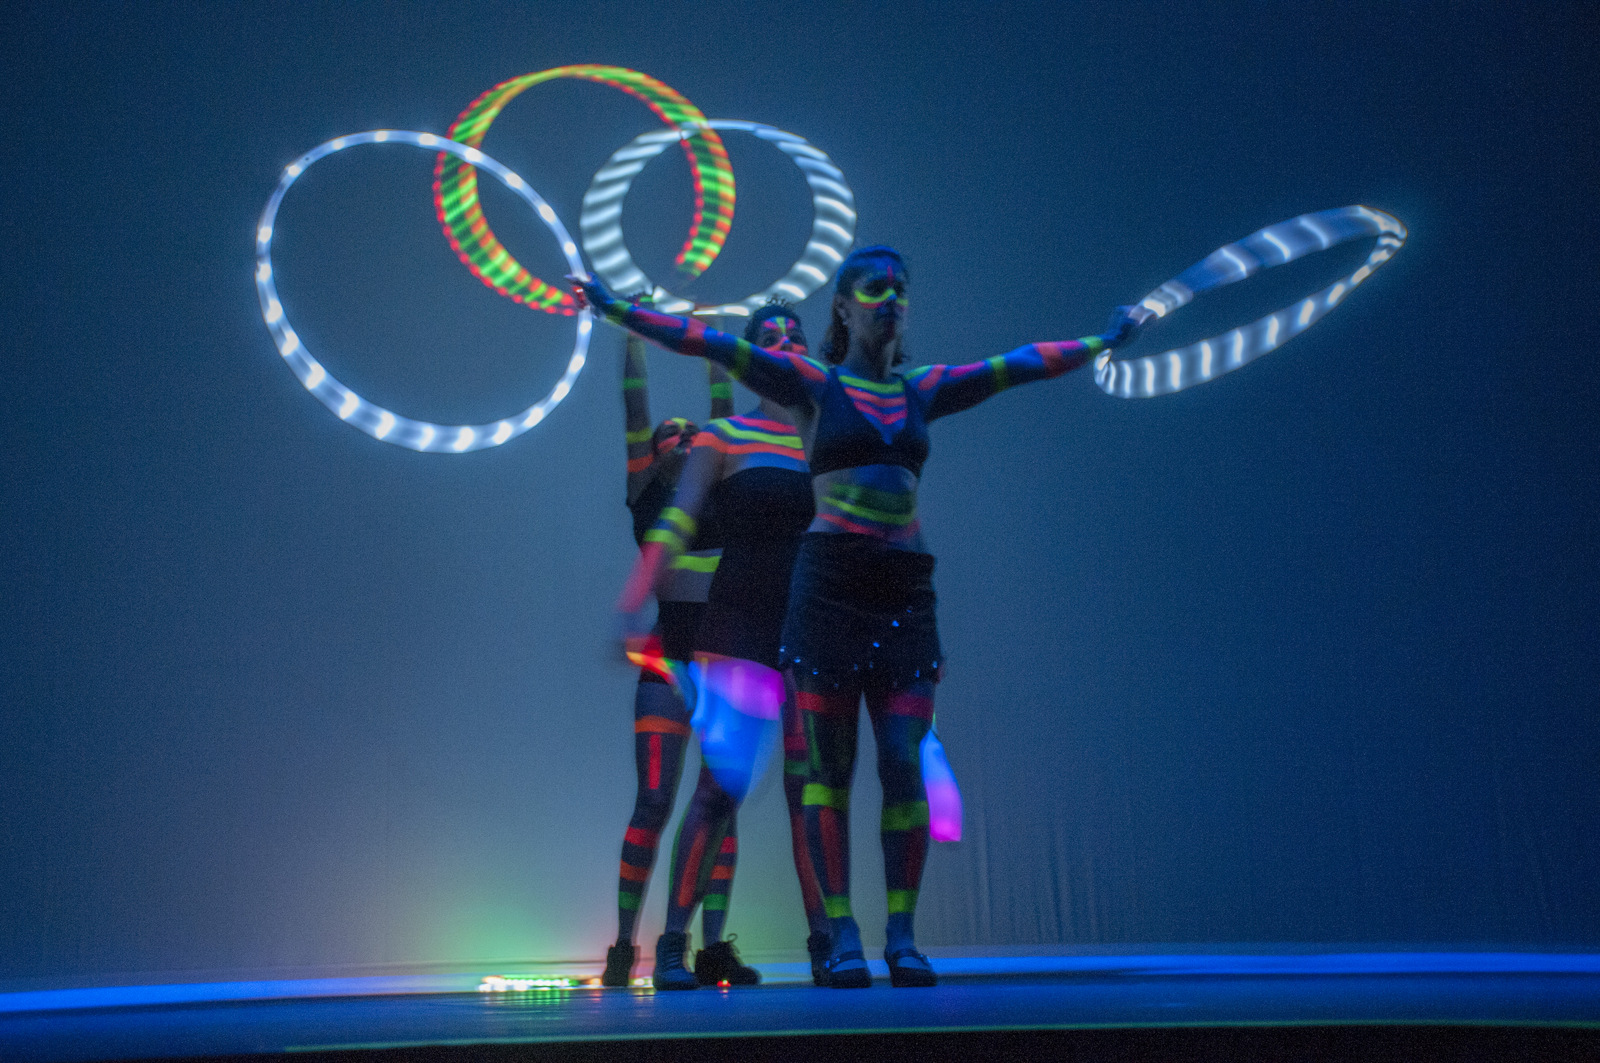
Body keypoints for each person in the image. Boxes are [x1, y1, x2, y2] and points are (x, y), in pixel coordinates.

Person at [574, 249, 1139, 988]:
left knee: (862, 770)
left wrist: (1101, 342)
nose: (891, 300)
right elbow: (709, 357)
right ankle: (736, 938)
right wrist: (620, 312)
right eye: (874, 288)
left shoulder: (879, 400)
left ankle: (866, 937)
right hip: (784, 608)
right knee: (765, 781)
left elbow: (1013, 366)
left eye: (902, 288)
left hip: (860, 601)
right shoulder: (767, 413)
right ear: (840, 308)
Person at [619, 303, 832, 989]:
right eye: (766, 338)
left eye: (794, 335)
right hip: (735, 625)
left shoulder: (831, 442)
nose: (783, 344)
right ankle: (671, 943)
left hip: (804, 627)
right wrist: (632, 599)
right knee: (714, 788)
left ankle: (828, 942)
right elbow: (675, 519)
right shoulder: (727, 433)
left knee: (810, 793)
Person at [601, 304, 733, 988]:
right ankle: (624, 945)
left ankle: (711, 947)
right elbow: (634, 405)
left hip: (722, 656)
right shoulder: (644, 492)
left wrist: (710, 339)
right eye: (667, 433)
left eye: (692, 432)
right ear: (651, 454)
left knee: (720, 801)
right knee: (654, 799)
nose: (682, 435)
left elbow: (722, 401)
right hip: (664, 657)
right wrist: (634, 336)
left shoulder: (721, 488)